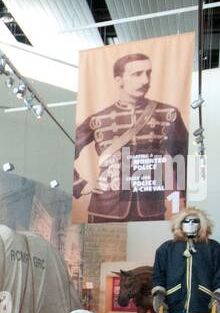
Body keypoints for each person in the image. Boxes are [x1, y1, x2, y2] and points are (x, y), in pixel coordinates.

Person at [73, 52, 189, 222]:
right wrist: (80, 185)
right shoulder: (98, 119)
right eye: (137, 74)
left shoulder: (168, 113)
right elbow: (65, 151)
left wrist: (183, 199)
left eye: (148, 73)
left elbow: (183, 156)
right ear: (118, 80)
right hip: (106, 209)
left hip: (150, 207)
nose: (145, 81)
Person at [151, 206, 220, 313]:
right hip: (172, 305)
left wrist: (219, 296)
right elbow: (158, 275)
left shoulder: (213, 247)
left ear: (202, 224)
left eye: (195, 221)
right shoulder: (166, 248)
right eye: (186, 221)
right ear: (180, 224)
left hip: (204, 304)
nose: (191, 224)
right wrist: (158, 294)